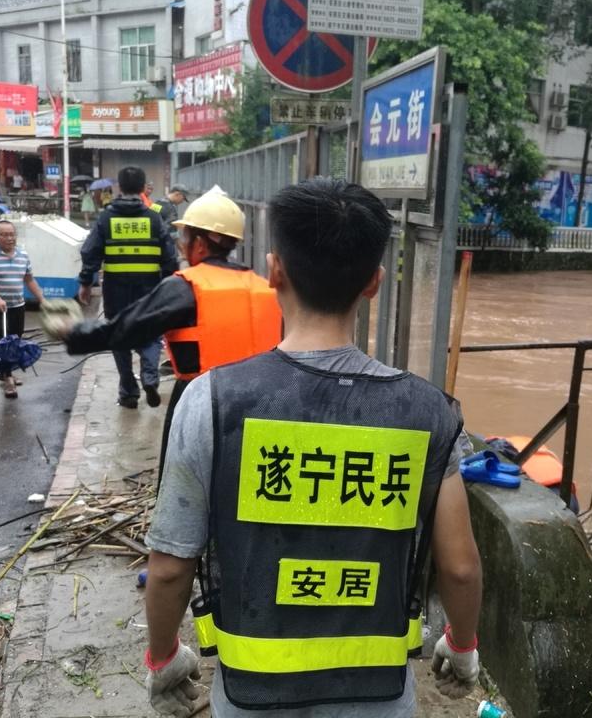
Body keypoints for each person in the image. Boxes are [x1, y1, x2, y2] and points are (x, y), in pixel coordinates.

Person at [141, 178, 483, 718]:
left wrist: (162, 660)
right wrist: (462, 648)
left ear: (275, 271)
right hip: (377, 697)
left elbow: (168, 565)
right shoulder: (429, 414)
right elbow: (460, 567)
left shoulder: (211, 400)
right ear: (372, 283)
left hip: (251, 695)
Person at [50, 186, 282, 483]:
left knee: (184, 486)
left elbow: (126, 330)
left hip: (200, 403)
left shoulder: (187, 286)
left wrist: (74, 333)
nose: (181, 244)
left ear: (199, 243)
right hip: (264, 406)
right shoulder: (266, 289)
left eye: (184, 237)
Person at [77, 166, 177, 409]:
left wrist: (86, 282)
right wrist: (169, 283)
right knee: (151, 335)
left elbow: (90, 251)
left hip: (116, 290)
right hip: (149, 289)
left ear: (119, 188)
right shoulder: (154, 217)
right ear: (144, 188)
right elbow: (170, 257)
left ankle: (129, 393)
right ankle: (150, 378)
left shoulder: (106, 218)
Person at [0, 219, 46, 399]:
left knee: (15, 341)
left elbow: (29, 279)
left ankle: (7, 373)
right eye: (4, 234)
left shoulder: (22, 255)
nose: (9, 238)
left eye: (12, 234)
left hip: (16, 305)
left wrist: (42, 299)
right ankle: (8, 381)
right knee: (3, 342)